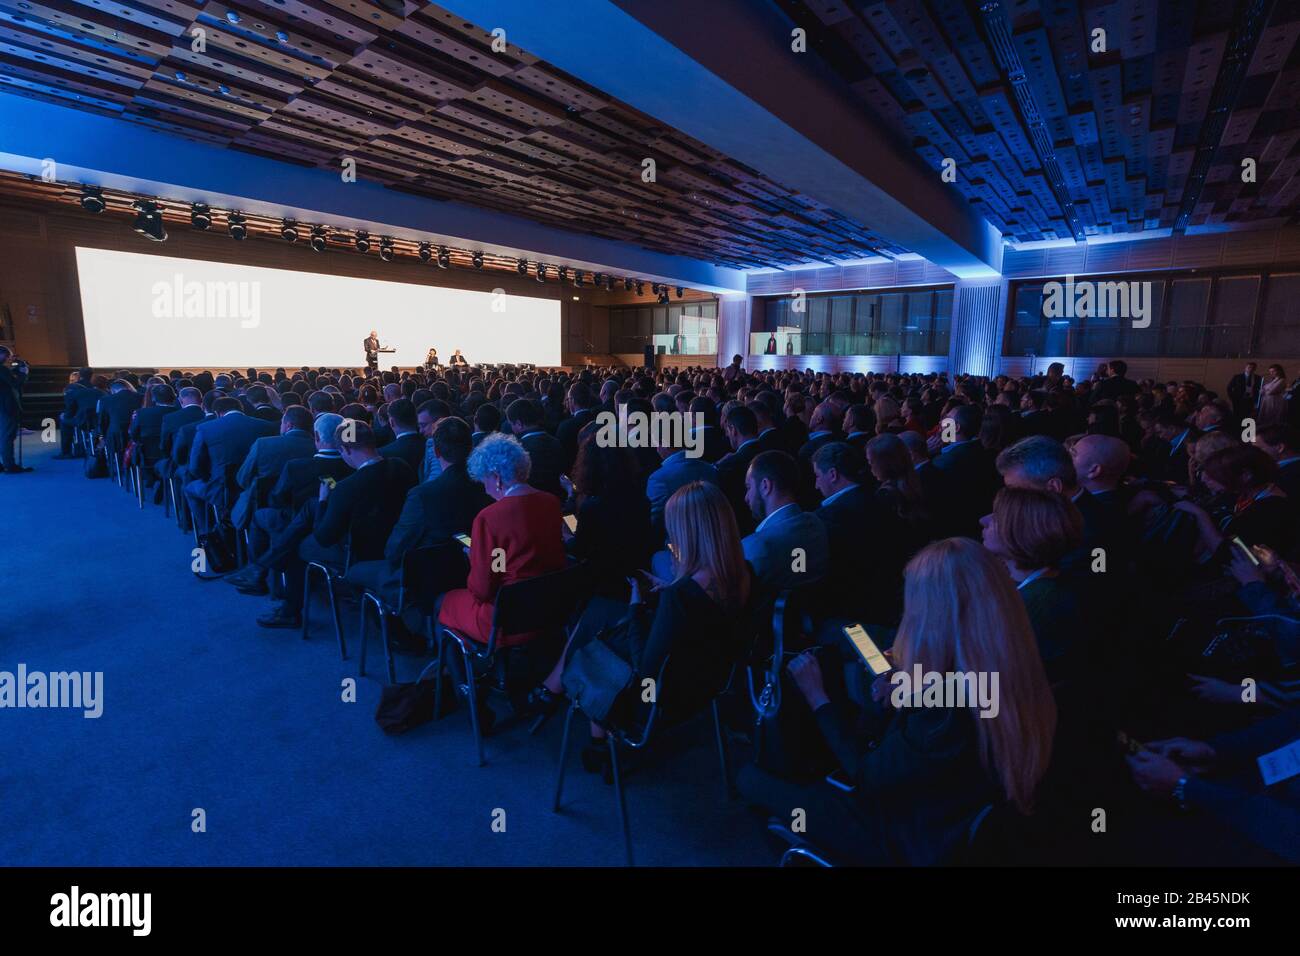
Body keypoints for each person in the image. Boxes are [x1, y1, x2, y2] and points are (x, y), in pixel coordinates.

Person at [737, 537, 1057, 865]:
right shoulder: (1017, 673)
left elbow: (866, 778)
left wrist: (818, 697)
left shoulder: (941, 710)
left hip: (907, 838)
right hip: (955, 825)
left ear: (933, 617)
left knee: (749, 779)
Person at [534, 481, 753, 766]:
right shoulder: (744, 574)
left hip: (655, 696)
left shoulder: (680, 597)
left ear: (688, 532)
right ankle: (590, 731)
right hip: (704, 683)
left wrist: (638, 603)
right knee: (600, 611)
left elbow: (644, 668)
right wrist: (669, 589)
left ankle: (579, 718)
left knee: (594, 631)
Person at [437, 433, 567, 645]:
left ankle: (463, 673)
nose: (486, 489)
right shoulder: (551, 502)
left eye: (484, 480)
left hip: (505, 619)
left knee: (445, 601)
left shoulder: (490, 518)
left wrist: (476, 559)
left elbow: (483, 588)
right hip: (550, 610)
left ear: (496, 477)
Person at [741, 450, 828, 594]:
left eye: (749, 487)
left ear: (765, 486)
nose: (746, 497)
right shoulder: (818, 523)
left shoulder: (754, 547)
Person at [0, 345, 29, 473]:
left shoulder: (4, 370)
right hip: (6, 407)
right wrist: (23, 373)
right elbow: (15, 384)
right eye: (7, 356)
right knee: (7, 436)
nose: (9, 359)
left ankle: (3, 464)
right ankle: (10, 465)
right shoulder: (2, 370)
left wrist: (16, 371)